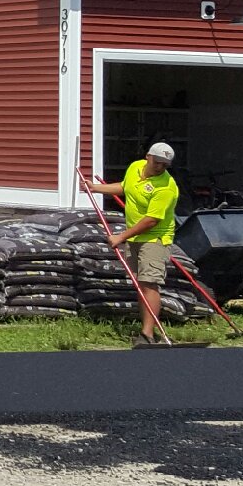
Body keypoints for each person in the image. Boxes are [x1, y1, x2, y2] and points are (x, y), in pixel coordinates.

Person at [86, 141, 180, 346]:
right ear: (148, 157)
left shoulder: (166, 187)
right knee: (141, 285)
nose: (160, 167)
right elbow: (125, 187)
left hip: (154, 239)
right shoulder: (135, 167)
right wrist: (95, 188)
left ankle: (147, 334)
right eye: (158, 162)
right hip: (135, 238)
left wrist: (121, 237)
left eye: (165, 165)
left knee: (149, 283)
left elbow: (151, 220)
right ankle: (147, 330)